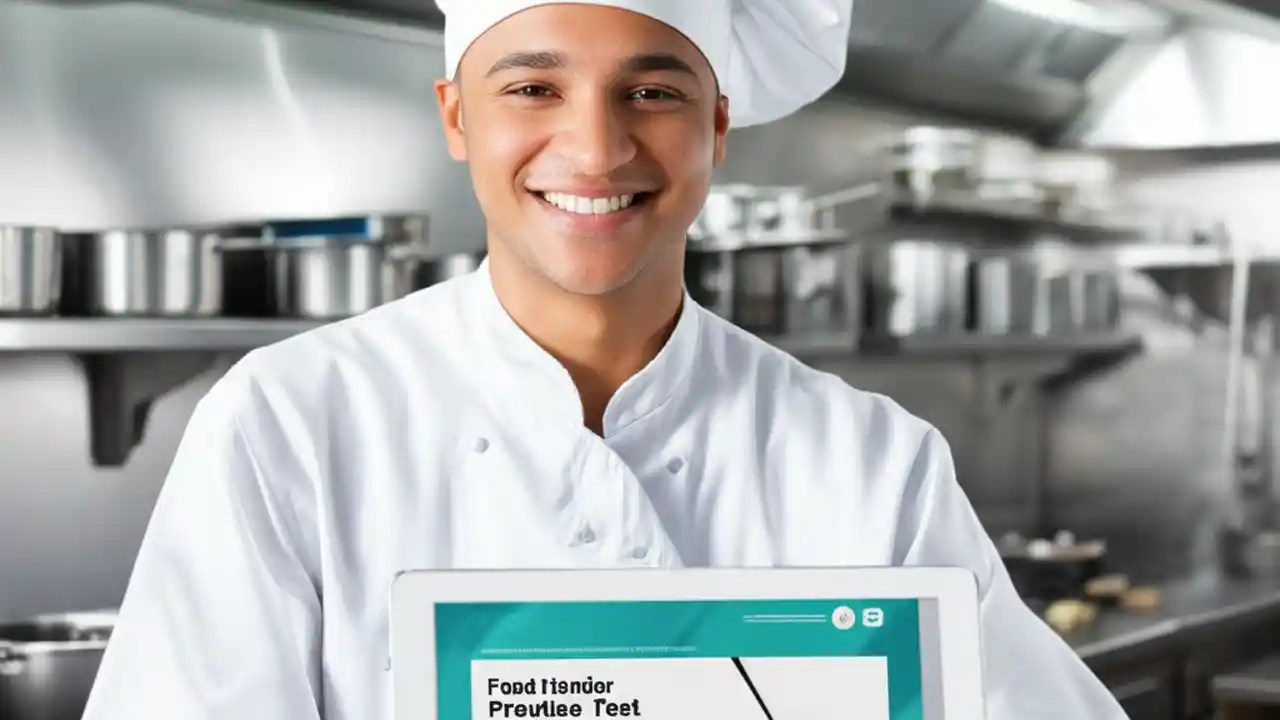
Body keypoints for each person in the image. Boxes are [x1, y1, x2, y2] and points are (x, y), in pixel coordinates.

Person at [83, 1, 1128, 718]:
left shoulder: (864, 458)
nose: (593, 150)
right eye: (532, 89)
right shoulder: (293, 421)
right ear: (456, 116)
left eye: (653, 93)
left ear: (717, 125)